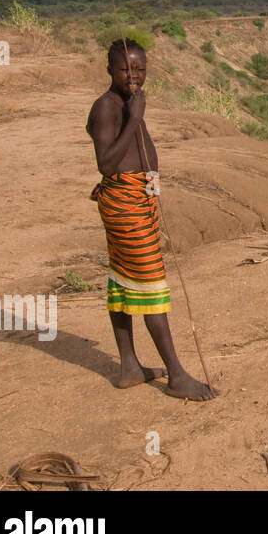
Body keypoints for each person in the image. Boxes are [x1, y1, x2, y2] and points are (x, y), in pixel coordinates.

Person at [86, 38, 214, 400]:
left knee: (123, 279)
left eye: (139, 69)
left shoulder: (129, 102)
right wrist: (135, 119)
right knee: (151, 284)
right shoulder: (106, 107)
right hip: (124, 203)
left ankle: (129, 367)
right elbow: (107, 164)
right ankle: (176, 375)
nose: (133, 75)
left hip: (137, 201)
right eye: (125, 68)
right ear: (109, 68)